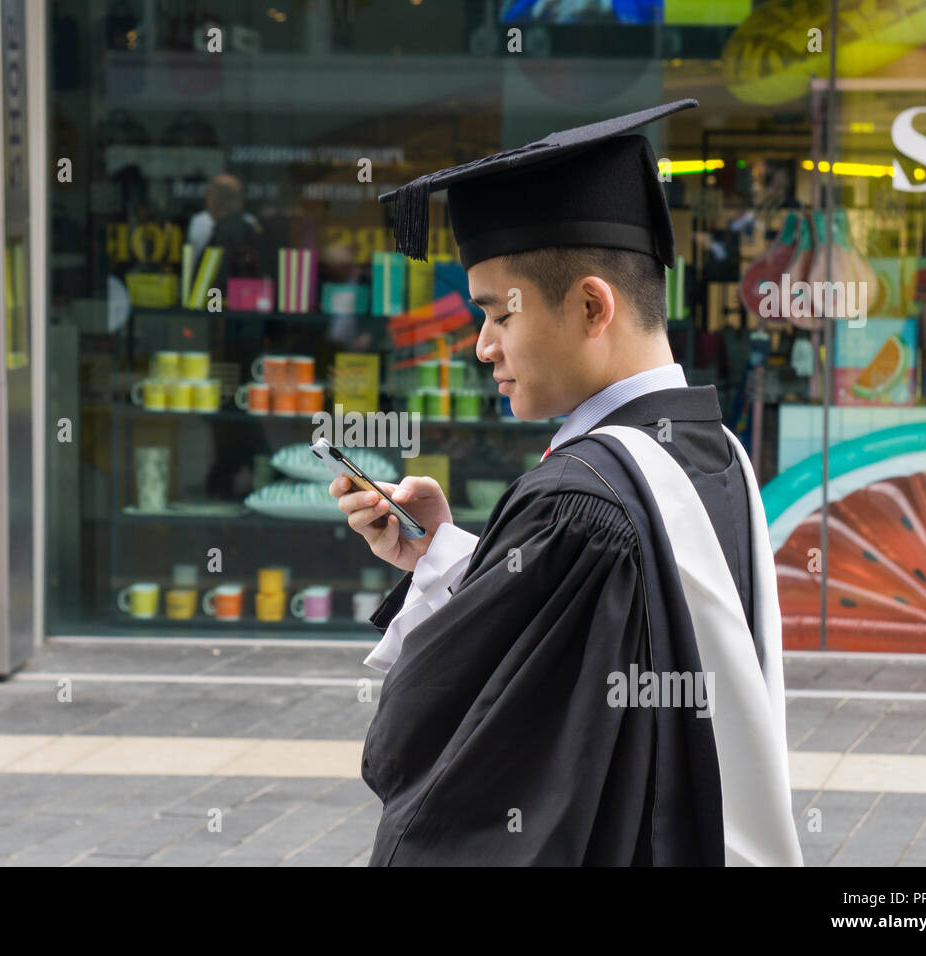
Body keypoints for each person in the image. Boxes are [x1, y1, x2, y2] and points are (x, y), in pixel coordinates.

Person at [330, 100, 802, 866]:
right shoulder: (711, 448)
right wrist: (447, 557)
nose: (482, 346)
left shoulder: (581, 501)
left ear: (591, 305)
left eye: (496, 315)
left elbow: (463, 752)